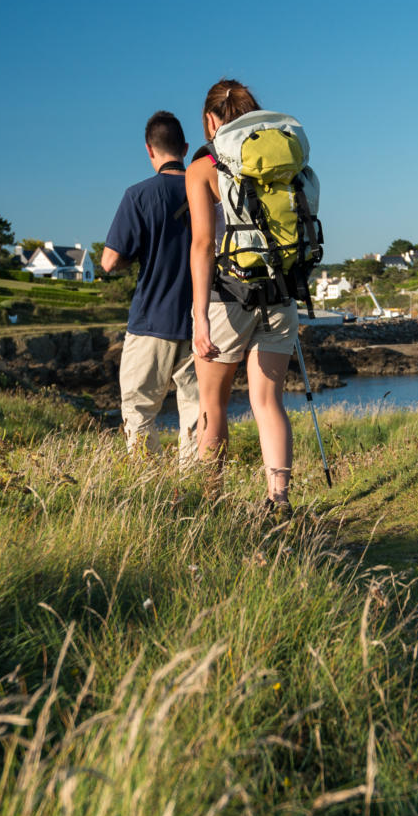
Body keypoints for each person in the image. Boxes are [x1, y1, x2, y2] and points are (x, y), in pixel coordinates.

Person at [186, 79, 298, 507]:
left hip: (226, 299)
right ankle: (279, 499)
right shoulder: (285, 166)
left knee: (212, 406)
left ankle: (210, 502)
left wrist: (199, 316)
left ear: (211, 120)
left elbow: (202, 245)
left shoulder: (203, 169)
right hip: (281, 294)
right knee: (269, 403)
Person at [102, 110, 199, 461]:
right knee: (196, 411)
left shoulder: (138, 196)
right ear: (185, 148)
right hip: (200, 321)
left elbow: (110, 261)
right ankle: (197, 489)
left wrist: (139, 253)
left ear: (149, 150)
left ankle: (148, 487)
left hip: (151, 321)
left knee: (140, 410)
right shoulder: (206, 191)